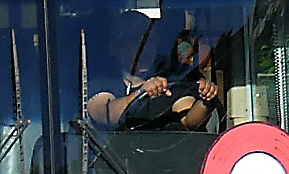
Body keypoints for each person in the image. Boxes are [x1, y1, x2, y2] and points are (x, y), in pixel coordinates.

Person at [86, 10, 221, 131]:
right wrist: (141, 93)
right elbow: (105, 114)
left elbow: (189, 120)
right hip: (117, 156)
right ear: (116, 48)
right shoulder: (103, 82)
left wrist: (206, 98)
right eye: (136, 42)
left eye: (151, 41)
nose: (146, 48)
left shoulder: (171, 81)